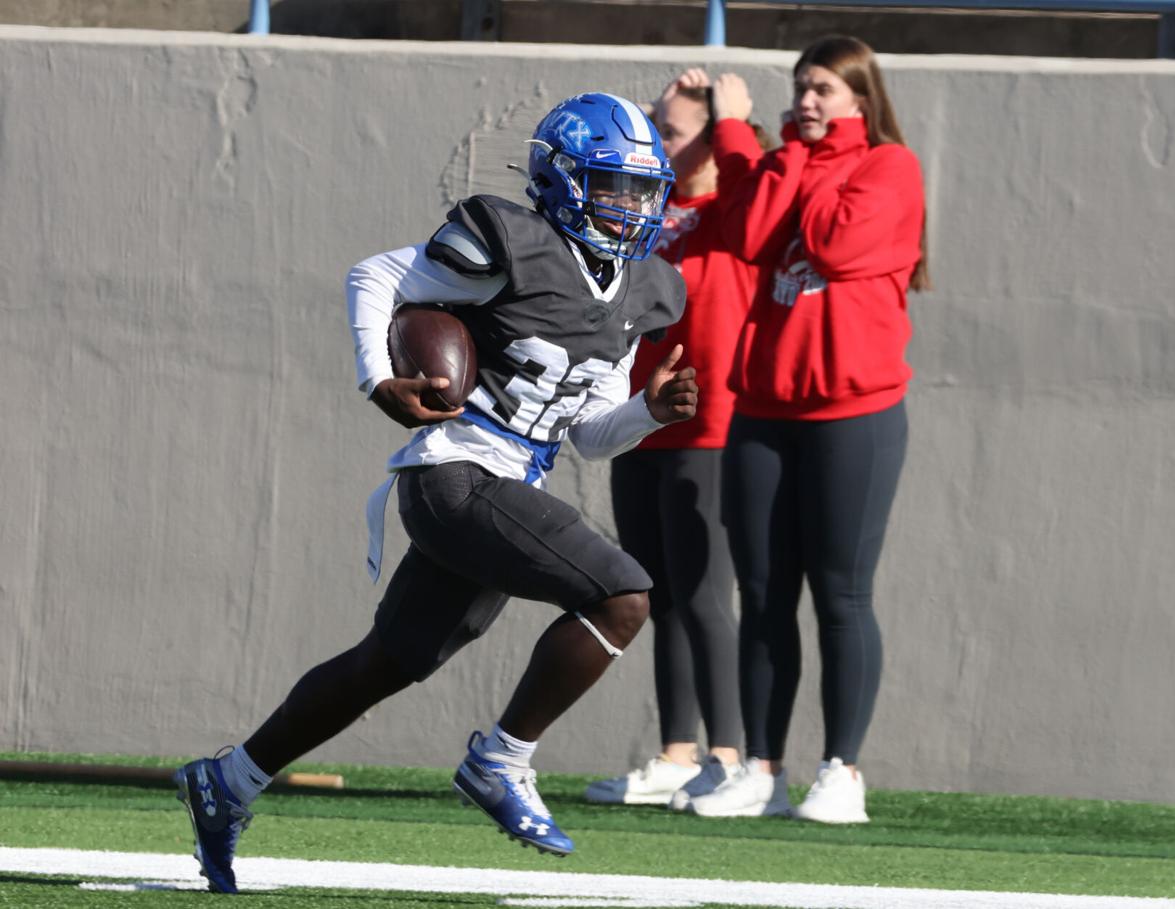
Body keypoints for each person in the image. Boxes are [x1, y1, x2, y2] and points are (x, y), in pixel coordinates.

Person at [172, 92, 699, 892]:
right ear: (560, 179)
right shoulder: (512, 240)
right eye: (611, 187)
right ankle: (502, 759)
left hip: (504, 482)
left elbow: (588, 434)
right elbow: (375, 275)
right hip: (455, 472)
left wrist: (647, 414)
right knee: (623, 596)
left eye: (640, 191)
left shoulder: (644, 289)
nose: (629, 207)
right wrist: (376, 377)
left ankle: (228, 781)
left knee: (391, 660)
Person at [685, 36, 929, 822]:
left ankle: (841, 769)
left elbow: (834, 242)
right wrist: (780, 154)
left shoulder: (889, 166)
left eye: (823, 88)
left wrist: (790, 166)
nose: (807, 100)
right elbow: (751, 235)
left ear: (861, 97)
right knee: (762, 594)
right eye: (800, 87)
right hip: (764, 409)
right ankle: (762, 768)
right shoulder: (790, 159)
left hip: (854, 414)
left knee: (840, 594)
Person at [583, 70, 772, 811]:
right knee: (658, 594)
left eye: (670, 131)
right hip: (642, 418)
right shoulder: (645, 214)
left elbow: (753, 191)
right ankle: (678, 754)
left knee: (704, 595)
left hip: (709, 421)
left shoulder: (733, 209)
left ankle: (726, 756)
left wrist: (729, 119)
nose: (655, 145)